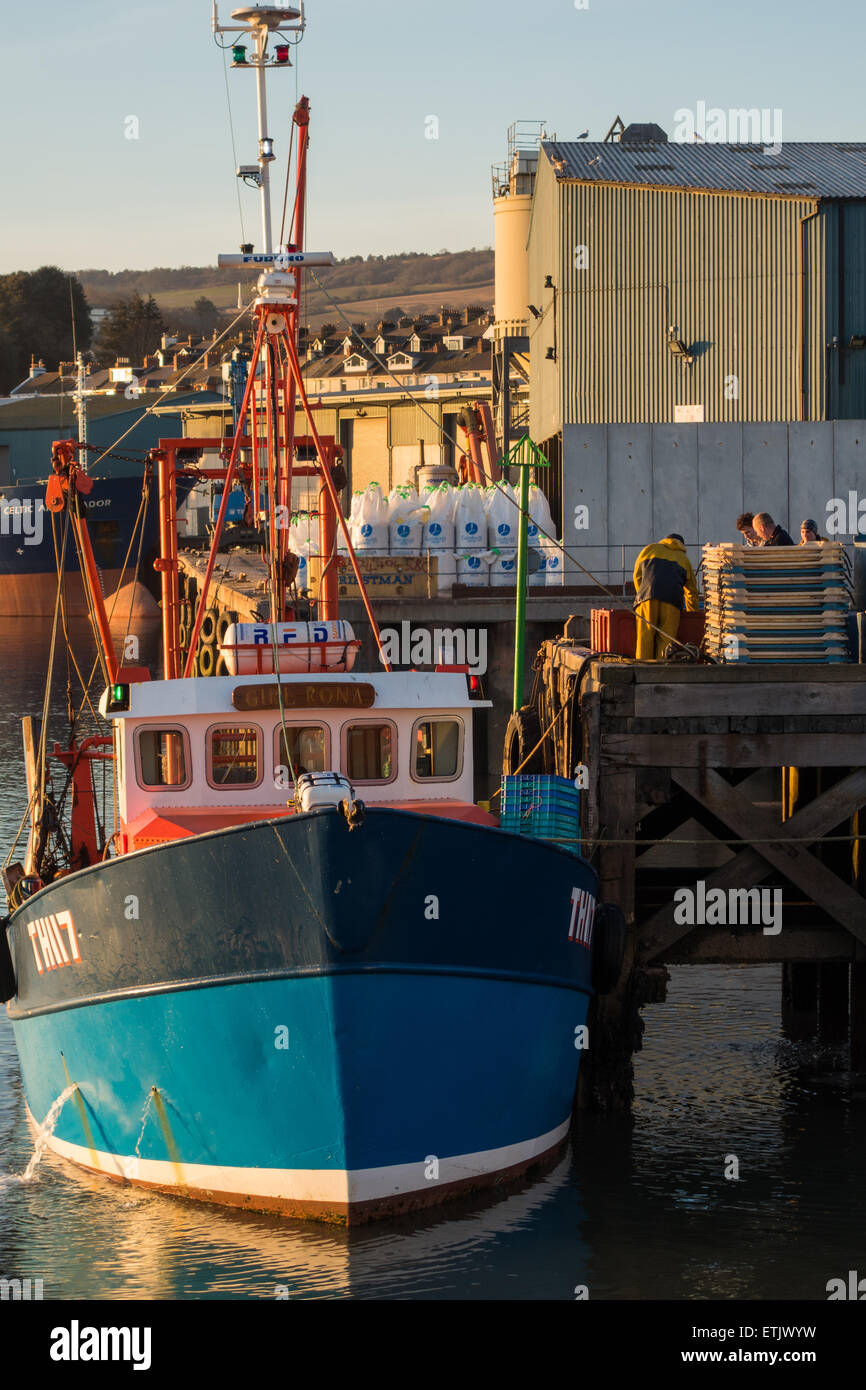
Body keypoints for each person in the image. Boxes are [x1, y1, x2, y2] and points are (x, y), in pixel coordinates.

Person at [633, 533, 700, 661]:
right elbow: (692, 592)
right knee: (666, 640)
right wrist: (692, 613)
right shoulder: (683, 559)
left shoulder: (649, 549)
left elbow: (637, 576)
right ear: (681, 545)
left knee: (645, 636)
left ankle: (642, 668)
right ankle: (662, 671)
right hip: (672, 601)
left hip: (647, 599)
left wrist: (641, 595)